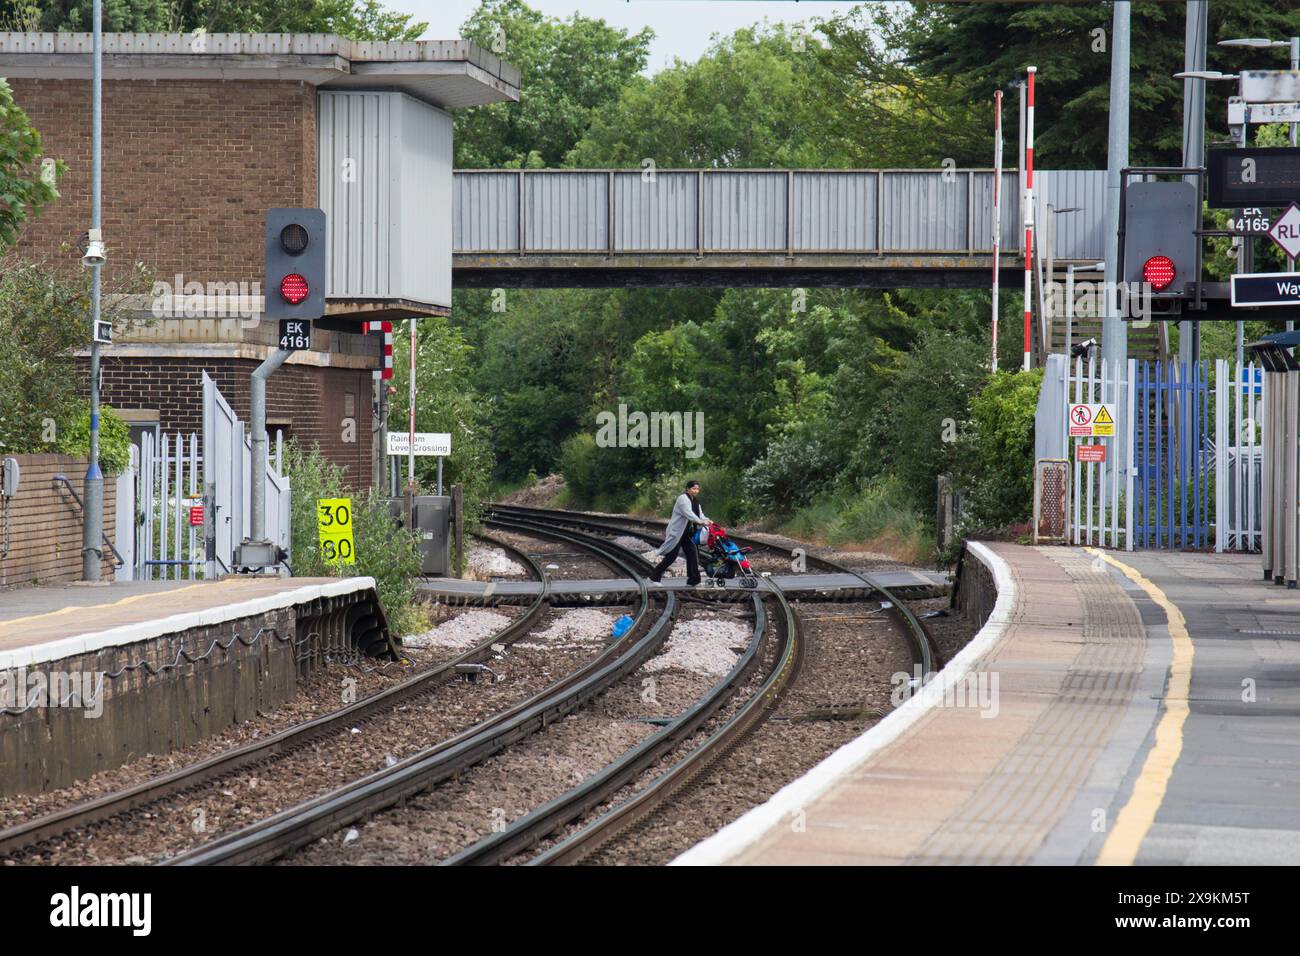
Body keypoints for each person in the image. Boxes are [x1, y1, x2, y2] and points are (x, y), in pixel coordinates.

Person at [650, 479, 710, 585]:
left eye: (697, 489)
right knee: (671, 556)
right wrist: (701, 522)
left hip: (687, 533)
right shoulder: (682, 499)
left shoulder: (695, 501)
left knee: (692, 553)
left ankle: (693, 580)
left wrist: (707, 520)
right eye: (693, 488)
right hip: (676, 532)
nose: (696, 491)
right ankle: (654, 577)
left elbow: (700, 514)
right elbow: (689, 514)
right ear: (687, 489)